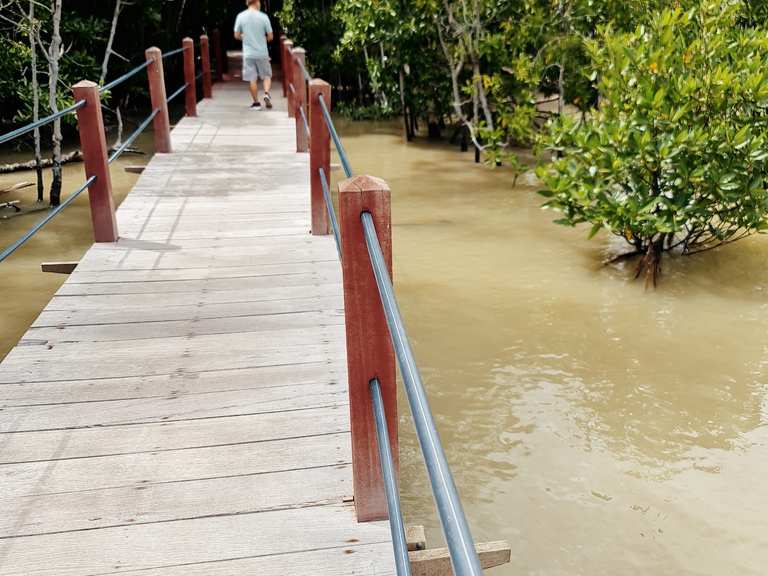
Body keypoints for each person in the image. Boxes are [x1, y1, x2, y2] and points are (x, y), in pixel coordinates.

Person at [234, 0, 274, 110]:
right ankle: (266, 93)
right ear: (256, 2)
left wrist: (246, 38)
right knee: (267, 75)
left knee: (252, 79)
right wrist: (262, 39)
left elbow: (236, 35)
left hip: (248, 54)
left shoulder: (241, 16)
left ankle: (256, 103)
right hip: (262, 53)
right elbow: (270, 37)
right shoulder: (264, 17)